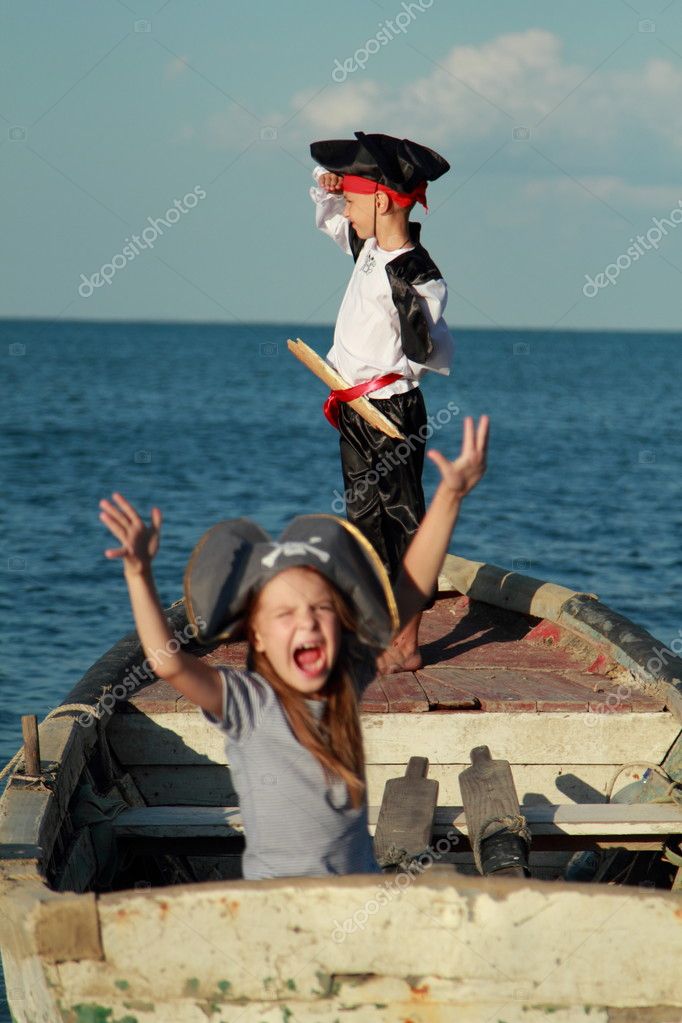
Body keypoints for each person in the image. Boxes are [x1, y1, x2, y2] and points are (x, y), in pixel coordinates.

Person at [99, 415, 489, 881]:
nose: (305, 619)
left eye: (320, 608)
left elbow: (408, 591)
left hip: (355, 896)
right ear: (257, 636)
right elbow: (166, 662)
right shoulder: (247, 701)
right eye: (284, 614)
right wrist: (138, 573)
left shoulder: (347, 677)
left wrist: (449, 496)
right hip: (278, 910)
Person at [309, 130, 454, 673]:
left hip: (391, 410)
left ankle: (409, 638)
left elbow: (424, 342)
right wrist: (329, 189)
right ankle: (377, 625)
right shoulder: (368, 249)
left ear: (381, 199)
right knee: (363, 516)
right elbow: (333, 221)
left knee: (403, 518)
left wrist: (412, 308)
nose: (344, 209)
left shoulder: (415, 270)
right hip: (355, 409)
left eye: (351, 199)